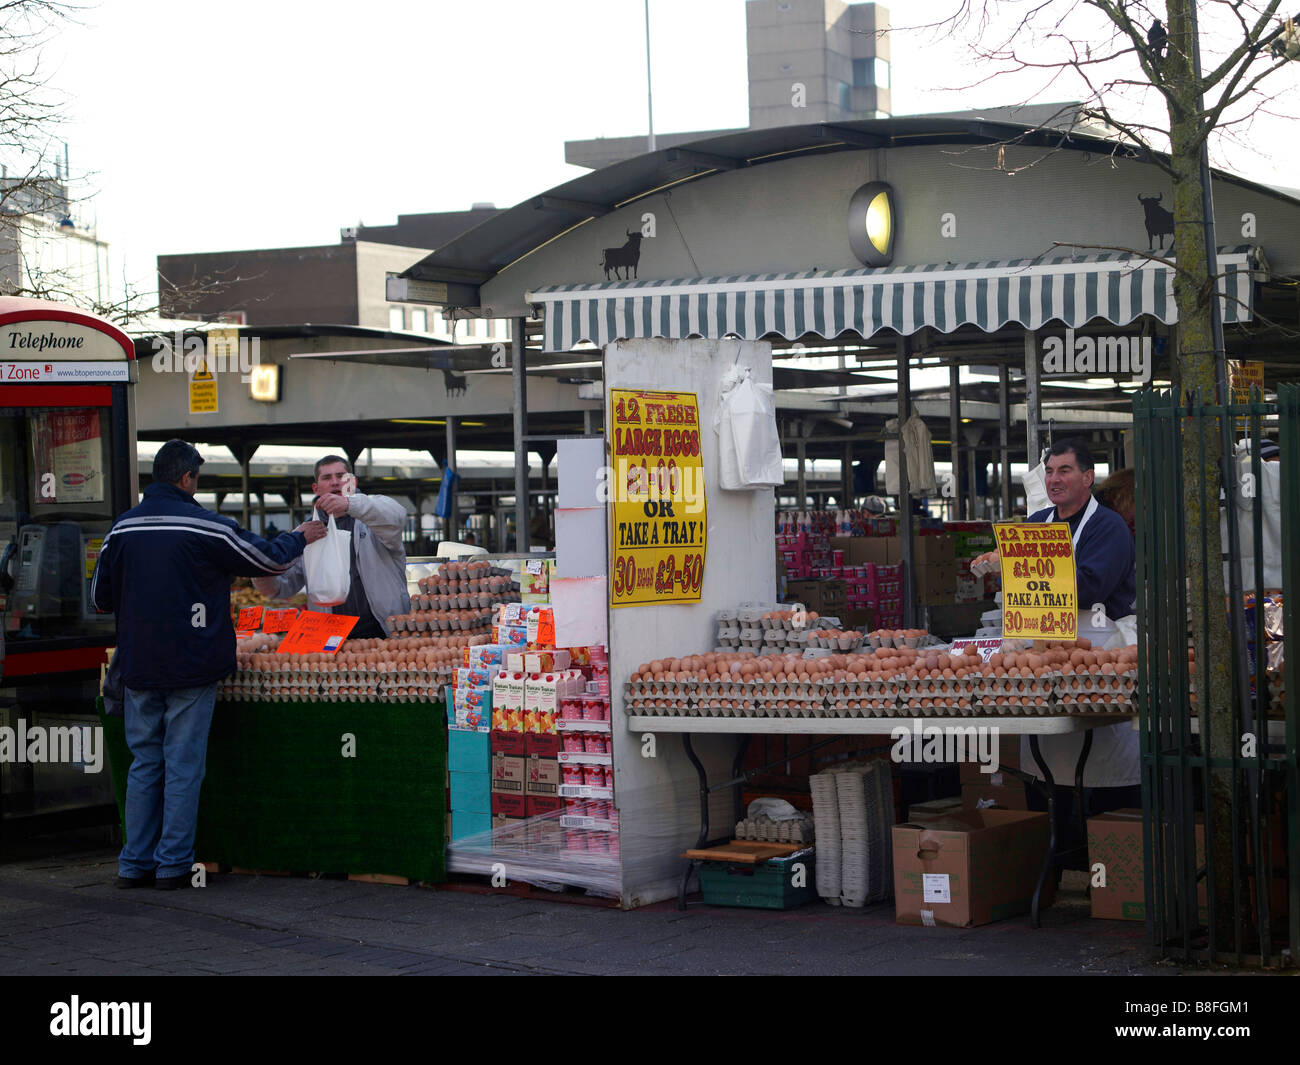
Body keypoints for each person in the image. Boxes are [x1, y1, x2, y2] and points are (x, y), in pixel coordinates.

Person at [91, 440, 325, 890]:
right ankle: (173, 865)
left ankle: (133, 863)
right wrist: (300, 537)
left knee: (144, 763)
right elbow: (267, 559)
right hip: (191, 665)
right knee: (182, 763)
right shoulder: (205, 526)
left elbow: (101, 598)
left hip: (138, 664)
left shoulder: (120, 529)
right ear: (186, 479)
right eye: (196, 479)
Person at [974, 438, 1139, 868]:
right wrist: (1002, 566)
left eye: (1064, 470)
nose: (1054, 479)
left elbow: (1091, 586)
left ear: (1088, 478)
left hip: (1096, 653)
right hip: (1043, 657)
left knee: (1098, 761)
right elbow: (1024, 588)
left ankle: (1099, 863)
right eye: (1049, 471)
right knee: (1047, 757)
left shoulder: (1109, 528)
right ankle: (1056, 861)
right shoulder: (1040, 521)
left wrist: (1017, 569)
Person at [253, 455, 410, 638]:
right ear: (316, 488)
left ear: (352, 481)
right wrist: (258, 568)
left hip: (385, 631)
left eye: (341, 476)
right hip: (332, 637)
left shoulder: (373, 517)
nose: (335, 483)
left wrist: (349, 503)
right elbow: (282, 586)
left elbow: (397, 516)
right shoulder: (307, 533)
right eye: (327, 478)